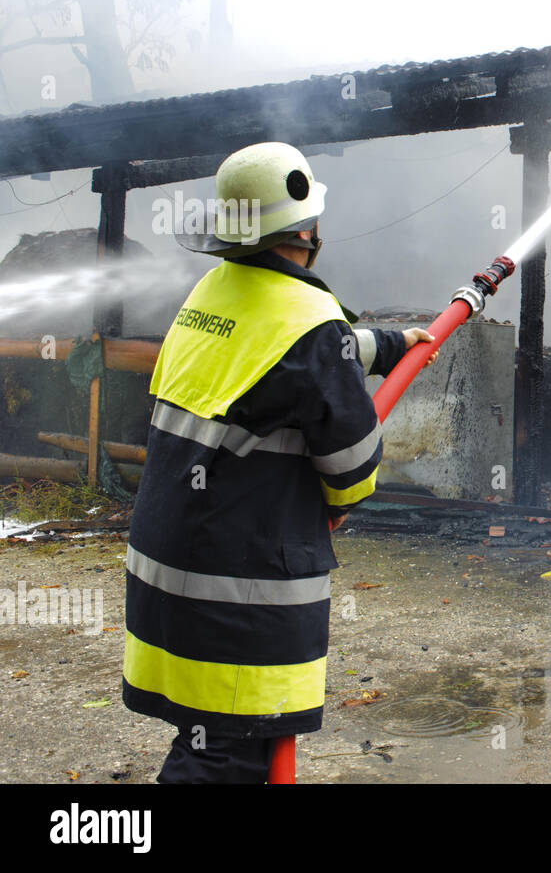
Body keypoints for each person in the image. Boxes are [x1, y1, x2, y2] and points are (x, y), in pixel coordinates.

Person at [122, 141, 432, 782]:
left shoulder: (211, 292)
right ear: (306, 230)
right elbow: (352, 464)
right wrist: (343, 500)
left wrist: (391, 345)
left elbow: (293, 356)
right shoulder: (309, 319)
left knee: (209, 736)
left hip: (168, 563)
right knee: (226, 758)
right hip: (237, 588)